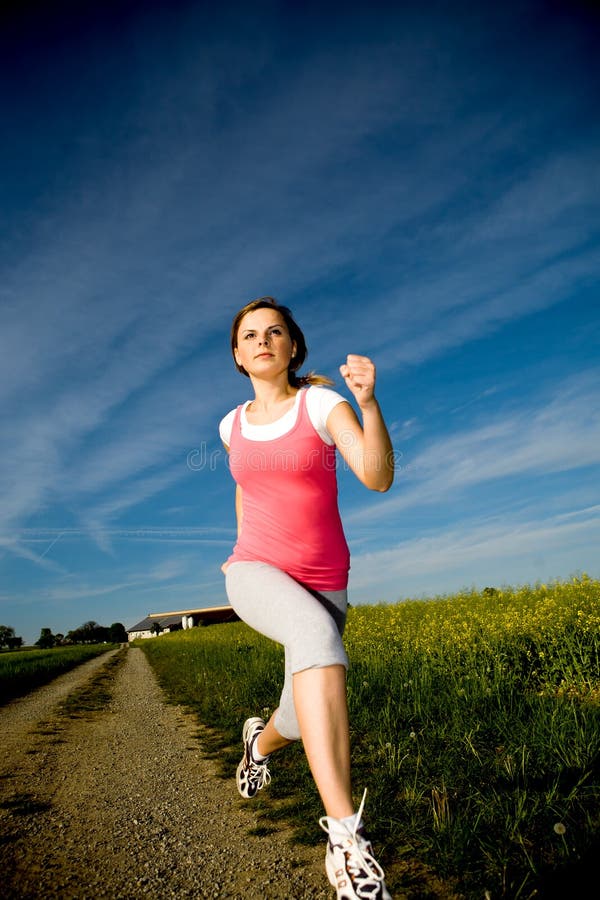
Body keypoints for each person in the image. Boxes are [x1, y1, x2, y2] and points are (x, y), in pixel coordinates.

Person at [220, 296, 394, 900]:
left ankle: (257, 745)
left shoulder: (321, 404)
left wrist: (369, 406)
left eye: (275, 332)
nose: (262, 341)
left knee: (298, 713)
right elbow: (247, 490)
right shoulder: (230, 425)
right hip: (253, 571)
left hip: (323, 582)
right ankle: (347, 842)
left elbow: (375, 474)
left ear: (293, 346)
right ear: (239, 356)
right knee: (319, 646)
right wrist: (243, 548)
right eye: (249, 336)